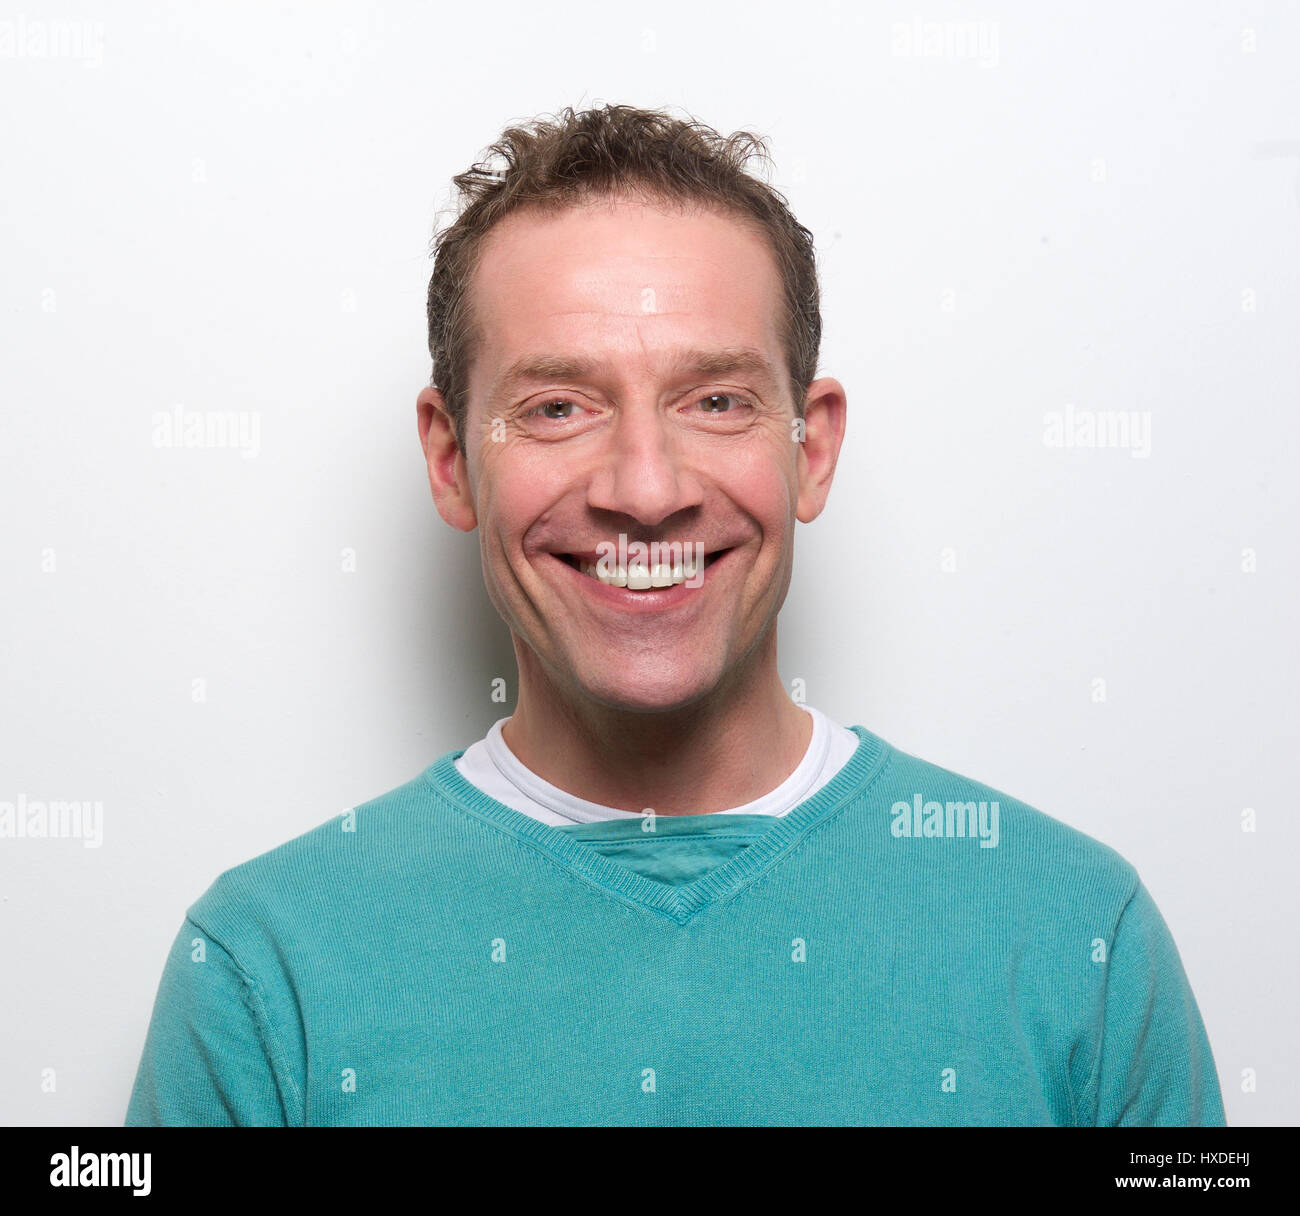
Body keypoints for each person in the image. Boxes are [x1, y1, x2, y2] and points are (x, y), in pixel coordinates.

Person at [126, 104, 1225, 1127]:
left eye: (716, 401)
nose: (646, 489)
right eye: (557, 406)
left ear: (814, 444)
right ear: (452, 458)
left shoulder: (1080, 942)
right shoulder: (266, 971)